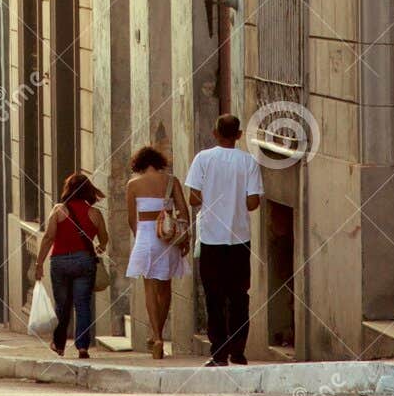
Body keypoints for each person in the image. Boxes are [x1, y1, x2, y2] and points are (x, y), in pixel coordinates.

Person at [185, 113, 264, 367]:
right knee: (239, 297)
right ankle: (238, 352)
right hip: (240, 239)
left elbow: (193, 198)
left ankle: (218, 353)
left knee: (214, 298)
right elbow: (253, 203)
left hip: (211, 239)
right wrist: (235, 200)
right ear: (239, 135)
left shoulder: (203, 159)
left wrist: (213, 195)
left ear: (215, 133)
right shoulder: (248, 162)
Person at [33, 171, 109, 359]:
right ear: (89, 192)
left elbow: (49, 237)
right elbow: (104, 237)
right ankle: (82, 347)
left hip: (60, 262)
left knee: (62, 305)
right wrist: (101, 246)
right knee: (82, 304)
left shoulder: (59, 210)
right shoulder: (95, 213)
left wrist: (39, 262)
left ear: (68, 190)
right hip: (84, 261)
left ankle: (59, 345)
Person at [124, 145, 190, 360]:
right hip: (168, 237)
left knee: (149, 288)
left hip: (146, 237)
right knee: (166, 287)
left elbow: (131, 218)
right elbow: (183, 211)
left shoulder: (133, 184)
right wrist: (184, 239)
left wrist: (140, 237)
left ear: (140, 164)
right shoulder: (172, 181)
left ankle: (157, 337)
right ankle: (157, 334)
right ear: (159, 162)